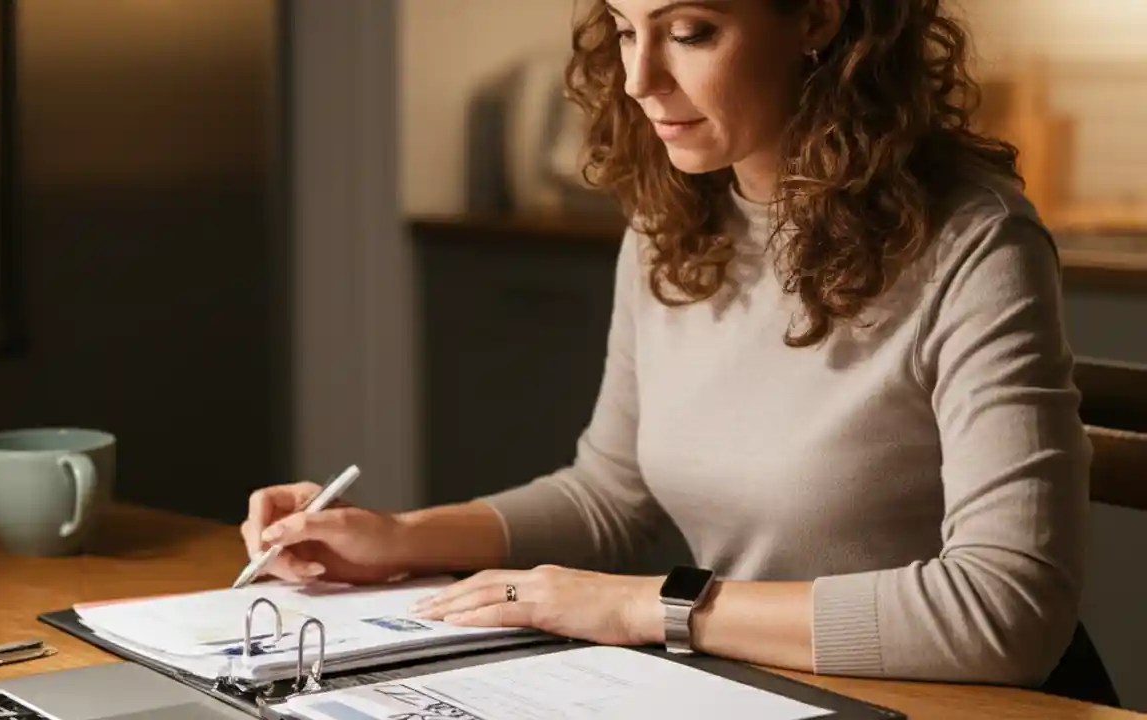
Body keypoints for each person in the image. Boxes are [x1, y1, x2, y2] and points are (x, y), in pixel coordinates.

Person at [244, 0, 1113, 701]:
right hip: (763, 689)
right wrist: (398, 538)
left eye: (690, 32)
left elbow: (1009, 611)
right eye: (625, 30)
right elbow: (611, 495)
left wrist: (642, 605)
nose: (639, 79)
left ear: (817, 19)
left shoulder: (975, 242)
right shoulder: (672, 223)